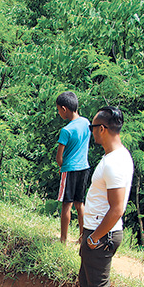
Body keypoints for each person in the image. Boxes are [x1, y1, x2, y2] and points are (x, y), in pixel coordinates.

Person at [57, 106, 133, 287]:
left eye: (92, 128)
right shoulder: (111, 157)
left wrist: (96, 237)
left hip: (102, 235)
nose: (91, 133)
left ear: (102, 129)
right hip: (93, 231)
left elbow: (117, 209)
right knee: (86, 280)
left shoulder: (116, 163)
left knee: (98, 286)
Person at [55, 91, 91, 244]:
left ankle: (63, 239)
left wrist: (61, 167)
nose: (58, 112)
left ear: (64, 109)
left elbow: (59, 157)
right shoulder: (86, 123)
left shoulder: (66, 130)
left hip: (69, 169)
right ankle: (82, 236)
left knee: (66, 204)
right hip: (84, 167)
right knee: (79, 203)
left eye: (58, 109)